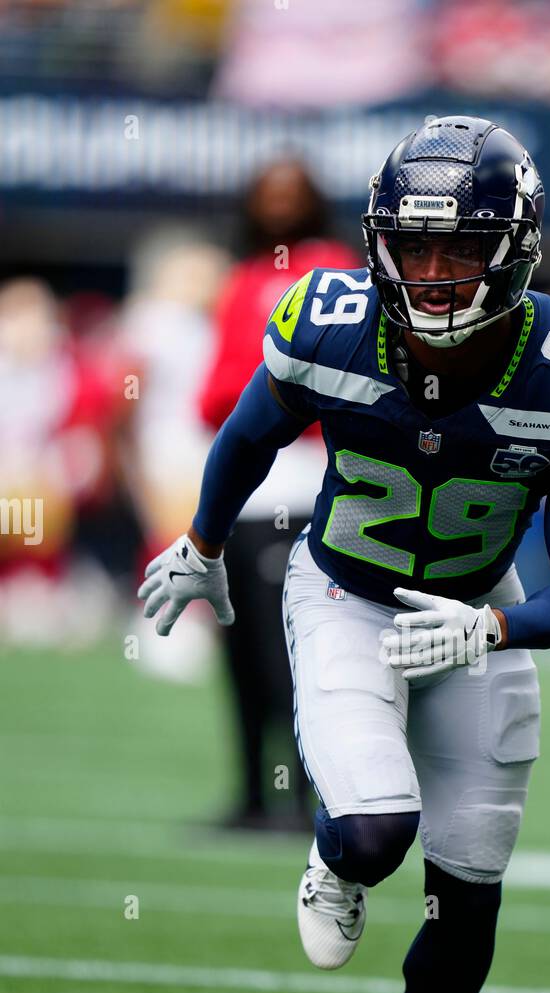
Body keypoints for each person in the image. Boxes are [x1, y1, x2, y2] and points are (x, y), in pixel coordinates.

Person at [138, 116, 550, 993]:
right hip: (346, 595)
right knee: (372, 833)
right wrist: (203, 543)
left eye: (463, 246)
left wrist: (495, 625)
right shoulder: (324, 321)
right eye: (415, 245)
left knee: (470, 878)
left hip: (475, 608)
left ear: (513, 248)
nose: (435, 270)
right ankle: (329, 862)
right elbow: (246, 432)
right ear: (376, 241)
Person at [198, 159, 355, 831]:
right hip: (245, 493)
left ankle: (303, 800)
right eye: (269, 194)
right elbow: (213, 397)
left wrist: (268, 405)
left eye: (293, 194)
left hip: (309, 487)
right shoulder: (240, 280)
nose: (280, 207)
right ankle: (251, 796)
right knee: (237, 647)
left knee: (291, 649)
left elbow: (341, 389)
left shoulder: (338, 272)